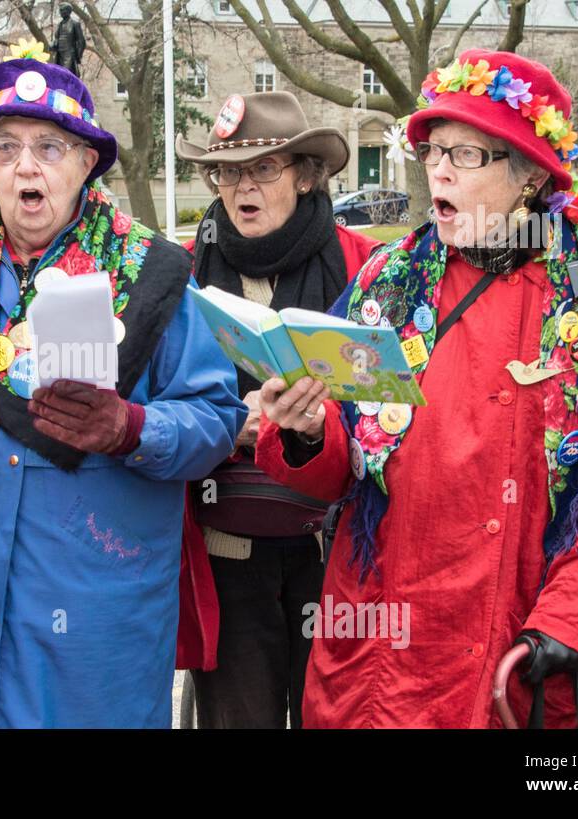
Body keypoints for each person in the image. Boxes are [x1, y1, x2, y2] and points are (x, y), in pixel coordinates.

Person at [255, 50, 578, 727]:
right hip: (376, 653)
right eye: (432, 151)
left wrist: (566, 622)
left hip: (513, 652)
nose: (440, 171)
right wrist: (307, 431)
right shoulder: (388, 282)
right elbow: (343, 467)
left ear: (531, 175)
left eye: (467, 154)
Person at [0, 47, 247, 728]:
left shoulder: (152, 274)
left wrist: (132, 429)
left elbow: (216, 418)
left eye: (49, 147)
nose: (25, 165)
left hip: (92, 631)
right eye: (4, 147)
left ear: (88, 161)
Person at [173, 91, 379, 728]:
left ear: (308, 174)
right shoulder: (178, 272)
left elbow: (396, 407)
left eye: (263, 168)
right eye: (226, 171)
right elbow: (156, 402)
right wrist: (234, 424)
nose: (240, 187)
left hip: (337, 555)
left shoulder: (368, 263)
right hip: (226, 551)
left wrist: (320, 426)